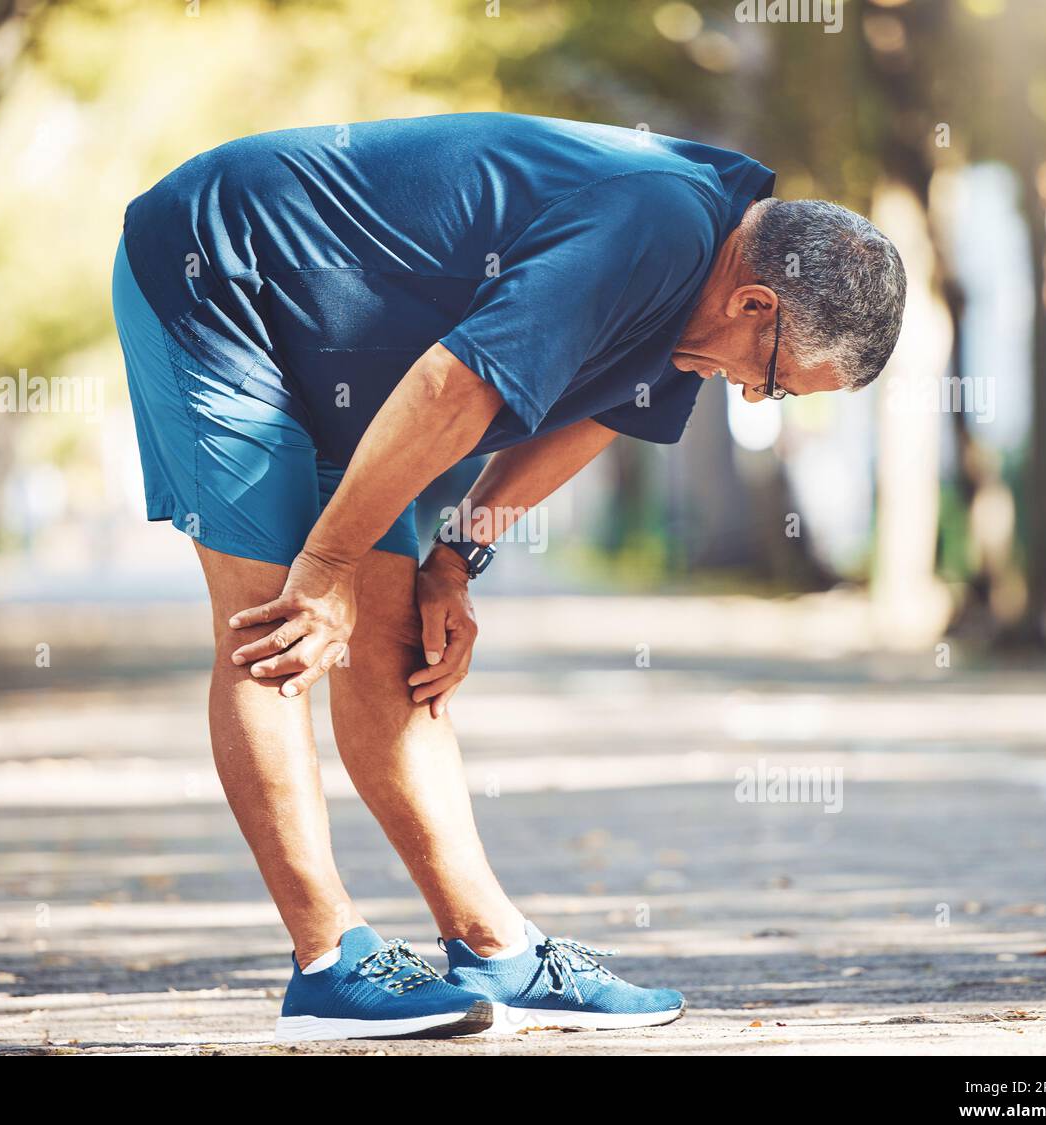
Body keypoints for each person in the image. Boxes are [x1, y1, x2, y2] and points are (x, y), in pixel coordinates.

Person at [111, 112, 906, 1041]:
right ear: (756, 306)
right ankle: (326, 961)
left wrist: (454, 560)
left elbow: (603, 412)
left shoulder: (707, 288)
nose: (756, 395)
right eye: (774, 380)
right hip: (221, 267)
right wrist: (324, 565)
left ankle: (495, 950)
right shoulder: (655, 225)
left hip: (347, 347)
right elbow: (455, 388)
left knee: (398, 635)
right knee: (277, 624)